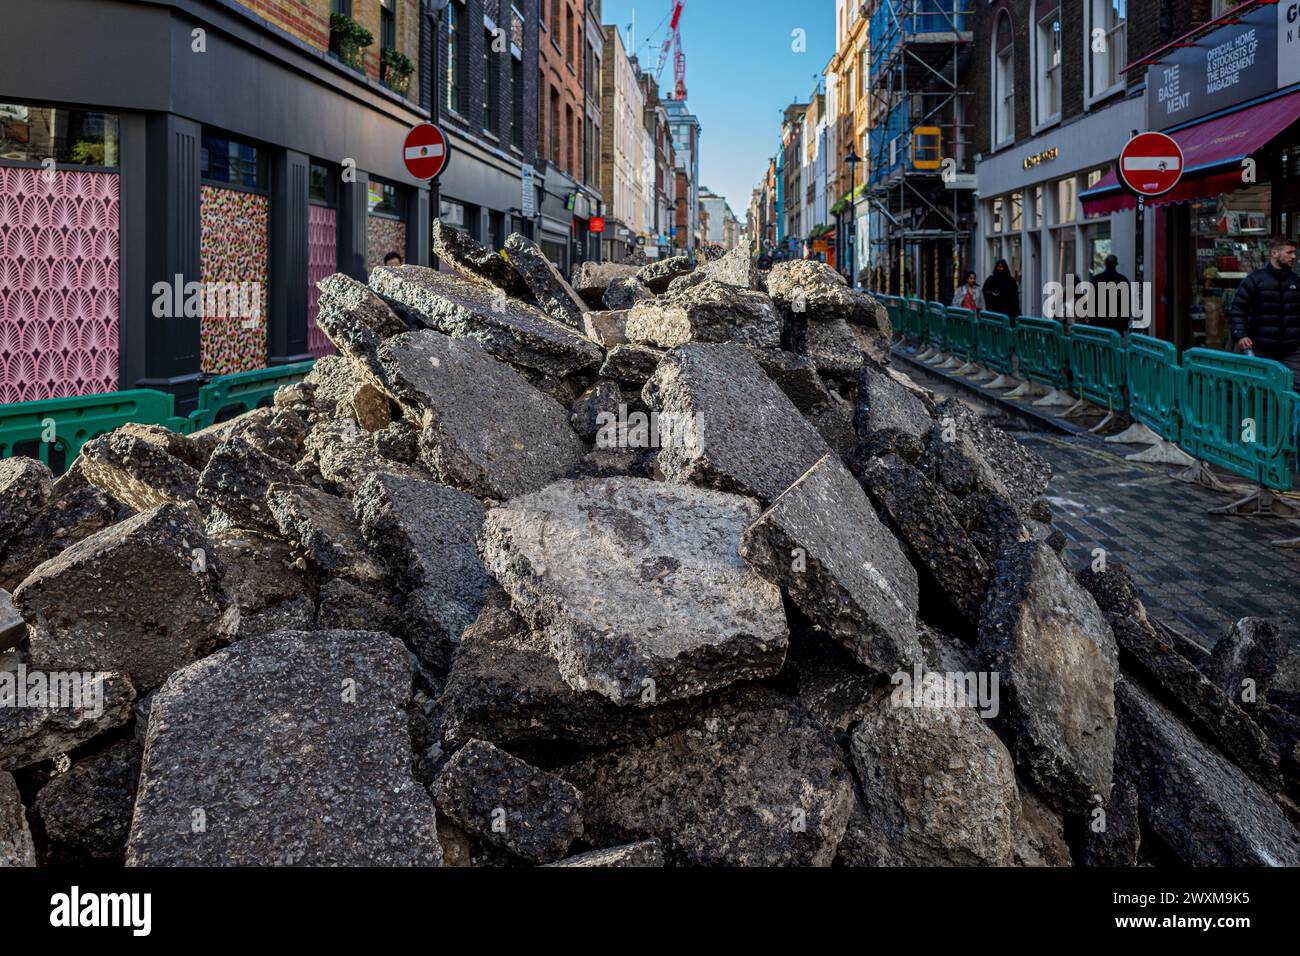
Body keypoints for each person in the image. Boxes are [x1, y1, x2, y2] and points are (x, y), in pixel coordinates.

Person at [1231, 236, 1300, 390]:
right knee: (1255, 391)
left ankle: (1290, 416)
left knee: (1296, 391)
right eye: (1289, 252)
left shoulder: (1296, 281)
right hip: (1262, 348)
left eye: (1294, 253)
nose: (1293, 257)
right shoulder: (1255, 279)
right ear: (1274, 253)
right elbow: (1238, 308)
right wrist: (1240, 334)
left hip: (1292, 350)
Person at [1089, 254, 1131, 335]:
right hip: (1117, 324)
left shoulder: (1096, 279)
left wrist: (1092, 322)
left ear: (1105, 264)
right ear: (1116, 265)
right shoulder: (1122, 280)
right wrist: (1124, 323)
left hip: (1100, 324)